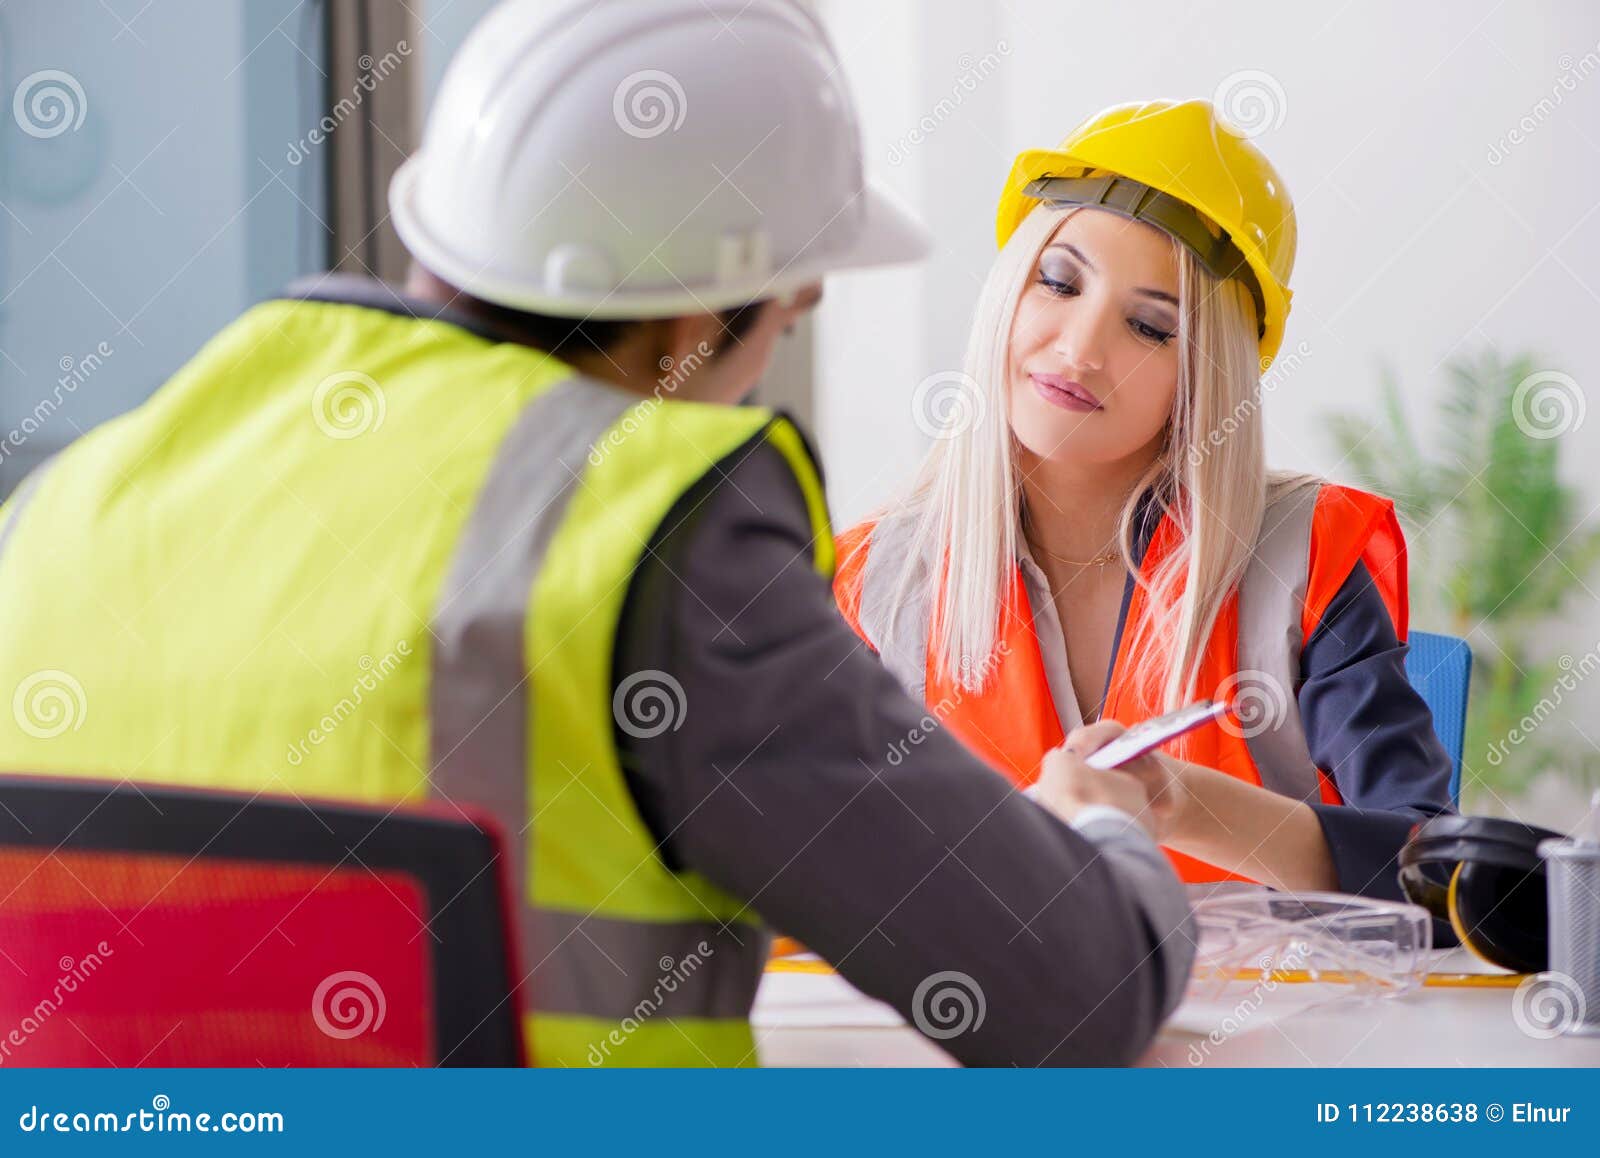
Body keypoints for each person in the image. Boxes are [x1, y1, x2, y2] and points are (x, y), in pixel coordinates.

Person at [0, 2, 1194, 1066]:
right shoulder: (659, 532)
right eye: (782, 320)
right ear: (693, 319)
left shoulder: (73, 498)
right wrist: (1100, 822)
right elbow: (1076, 995)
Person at [835, 99, 1456, 901]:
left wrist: (1180, 802)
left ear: (1205, 377)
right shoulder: (871, 583)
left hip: (1262, 986)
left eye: (1151, 327)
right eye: (1058, 282)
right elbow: (801, 865)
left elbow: (1434, 874)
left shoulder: (1305, 554)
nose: (1079, 349)